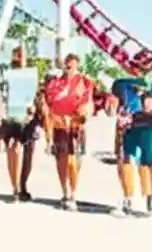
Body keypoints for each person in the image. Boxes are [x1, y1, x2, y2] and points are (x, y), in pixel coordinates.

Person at [110, 70, 152, 216]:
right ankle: (128, 198)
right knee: (125, 160)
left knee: (150, 163)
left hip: (148, 126)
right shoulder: (121, 83)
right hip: (128, 127)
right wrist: (114, 108)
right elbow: (113, 103)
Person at [44, 54, 94, 209]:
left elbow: (89, 104)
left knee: (73, 161)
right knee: (61, 160)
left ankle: (73, 193)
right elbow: (48, 103)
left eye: (71, 65)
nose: (69, 67)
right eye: (67, 64)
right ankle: (65, 191)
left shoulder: (85, 82)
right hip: (59, 125)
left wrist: (85, 114)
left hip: (76, 126)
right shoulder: (55, 83)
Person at [0, 47, 41, 202]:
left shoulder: (31, 76)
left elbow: (36, 96)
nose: (20, 60)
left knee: (27, 155)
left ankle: (22, 185)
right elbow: (0, 97)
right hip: (11, 117)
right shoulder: (6, 76)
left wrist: (35, 109)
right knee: (13, 150)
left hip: (27, 119)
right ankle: (15, 187)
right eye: (17, 57)